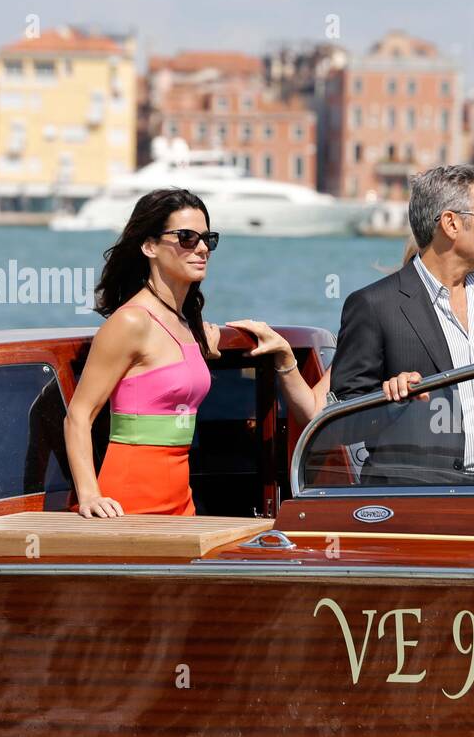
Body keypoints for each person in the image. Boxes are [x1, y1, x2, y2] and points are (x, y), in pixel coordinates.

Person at [64, 188, 305, 517]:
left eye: (208, 239)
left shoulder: (185, 323)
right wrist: (89, 495)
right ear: (149, 246)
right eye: (187, 237)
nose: (202, 248)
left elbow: (164, 372)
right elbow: (79, 414)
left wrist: (264, 345)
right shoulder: (131, 321)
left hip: (180, 497)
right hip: (129, 499)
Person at [328, 165, 474, 482]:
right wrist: (391, 401)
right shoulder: (372, 306)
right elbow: (341, 424)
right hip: (421, 502)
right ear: (451, 223)